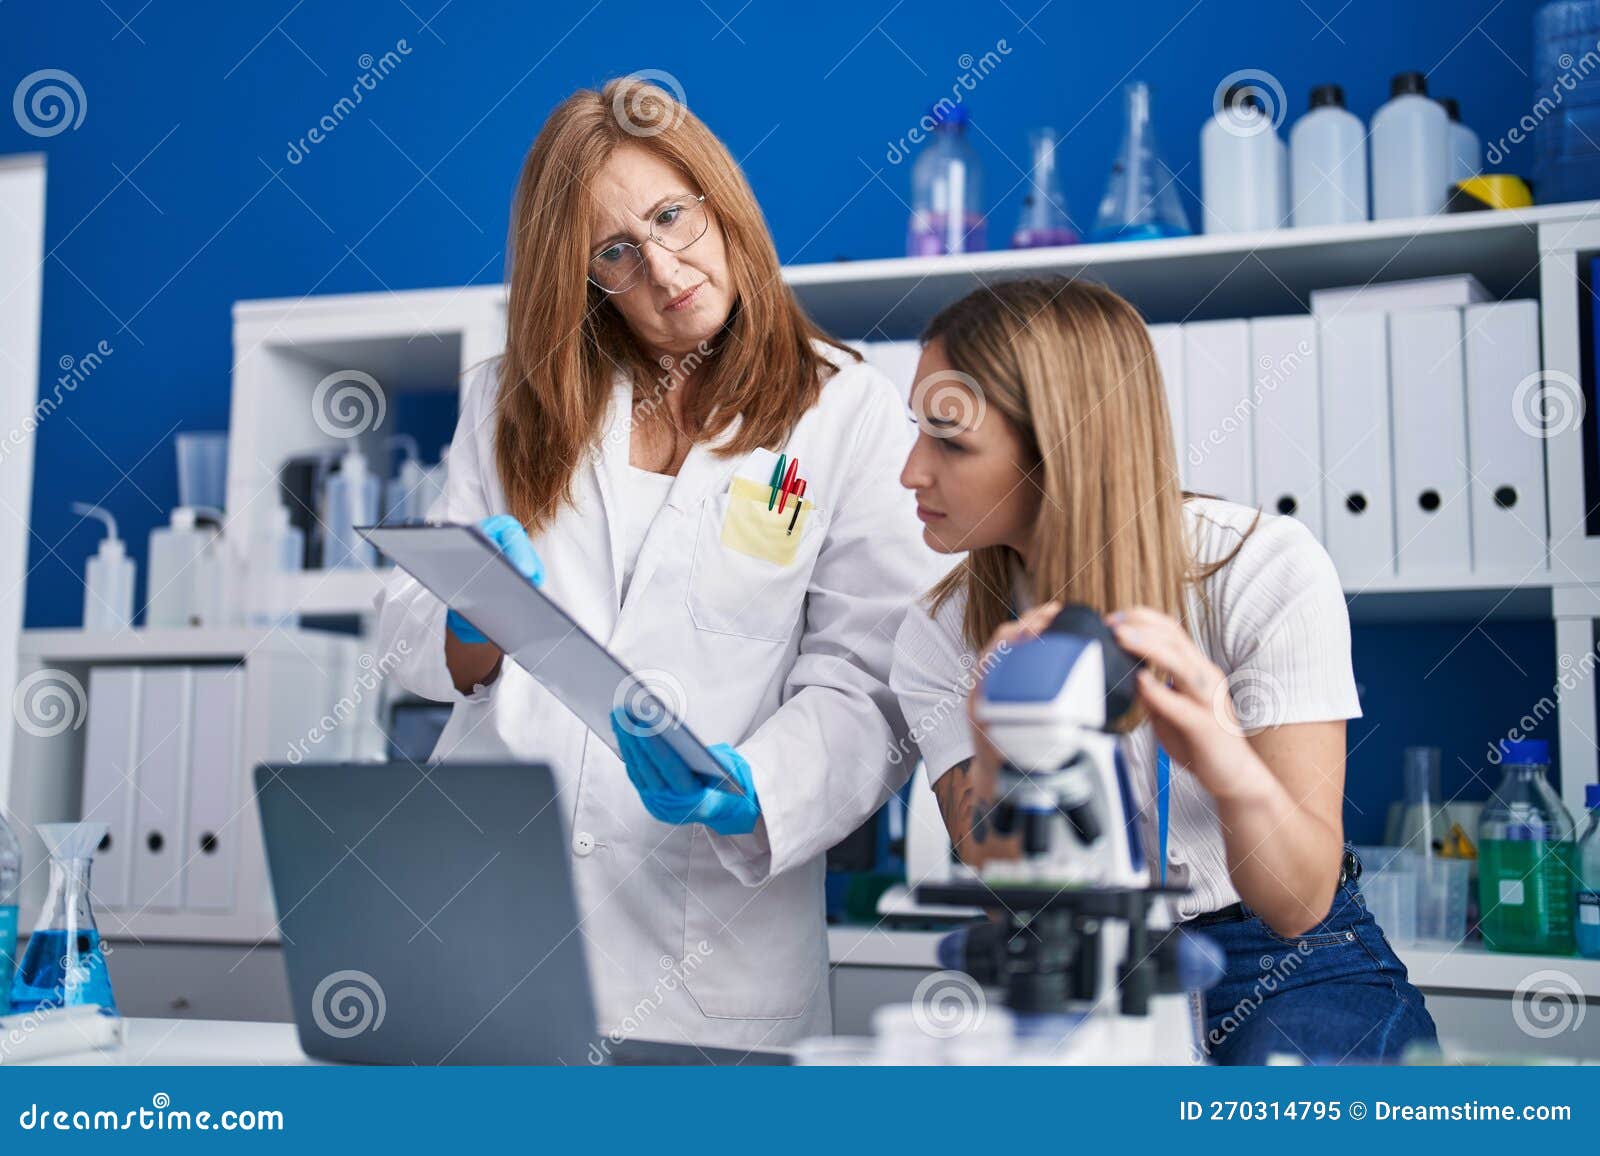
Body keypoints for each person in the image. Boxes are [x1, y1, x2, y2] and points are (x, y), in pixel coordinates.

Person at [376, 78, 944, 1049]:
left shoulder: (844, 407)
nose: (665, 268)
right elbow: (403, 623)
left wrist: (754, 783)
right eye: (616, 252)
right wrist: (464, 625)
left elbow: (875, 677)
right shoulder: (509, 399)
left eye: (672, 216)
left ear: (716, 198)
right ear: (582, 275)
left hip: (707, 946)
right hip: (493, 912)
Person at [890, 277, 1438, 1065]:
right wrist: (1000, 758)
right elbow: (1006, 878)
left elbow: (1298, 905)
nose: (912, 472)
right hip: (1081, 960)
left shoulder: (1260, 570)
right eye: (919, 431)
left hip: (1284, 964)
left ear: (1063, 445)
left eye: (950, 440)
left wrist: (1221, 753)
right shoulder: (942, 633)